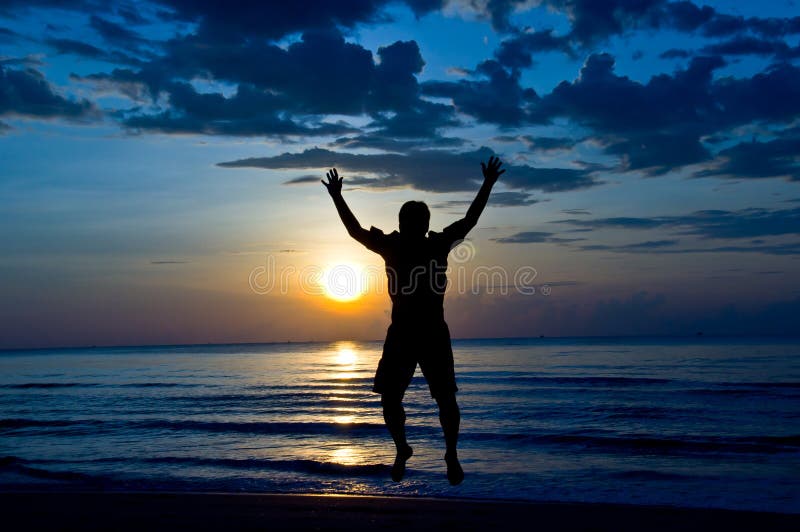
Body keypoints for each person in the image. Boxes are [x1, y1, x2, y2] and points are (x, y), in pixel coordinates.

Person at [322, 156, 505, 485]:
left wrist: (488, 184)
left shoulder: (435, 244)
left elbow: (470, 220)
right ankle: (403, 448)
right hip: (404, 333)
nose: (413, 226)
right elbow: (355, 232)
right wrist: (337, 197)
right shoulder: (393, 245)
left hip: (431, 332)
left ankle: (450, 453)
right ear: (404, 223)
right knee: (391, 399)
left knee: (444, 398)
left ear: (423, 223)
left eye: (417, 221)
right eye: (410, 221)